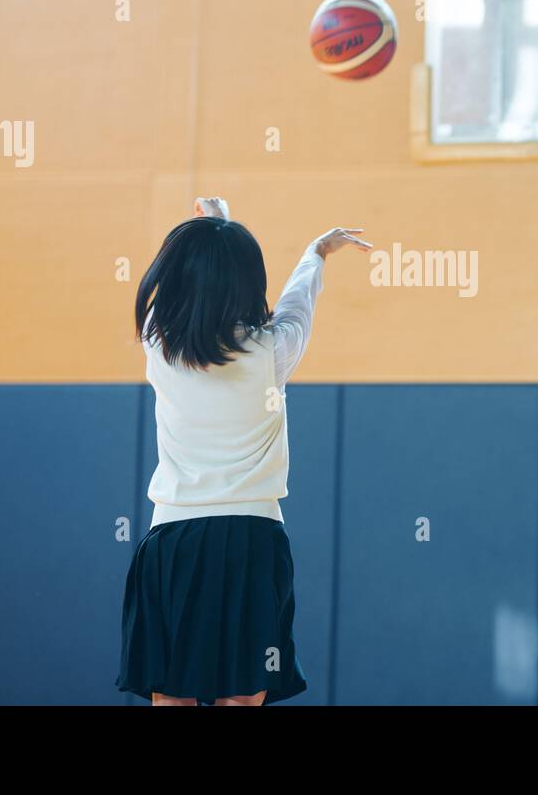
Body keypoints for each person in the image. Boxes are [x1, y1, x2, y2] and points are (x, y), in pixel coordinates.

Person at [116, 196, 369, 705]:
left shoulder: (158, 343)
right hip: (253, 534)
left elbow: (178, 287)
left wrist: (209, 224)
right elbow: (298, 304)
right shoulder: (272, 352)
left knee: (172, 694)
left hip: (175, 537)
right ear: (249, 283)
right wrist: (317, 252)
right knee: (241, 696)